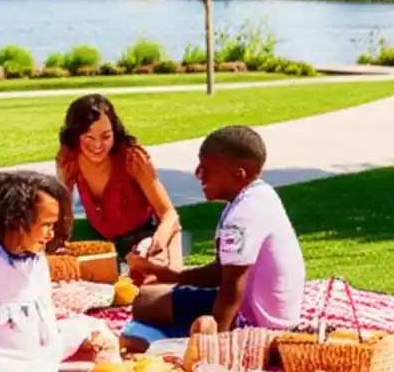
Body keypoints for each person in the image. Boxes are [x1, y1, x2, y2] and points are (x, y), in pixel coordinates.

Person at [123, 126, 305, 347]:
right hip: (269, 311)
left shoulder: (243, 216)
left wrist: (217, 345)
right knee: (146, 298)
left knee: (143, 310)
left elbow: (231, 286)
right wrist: (166, 273)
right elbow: (221, 271)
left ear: (238, 175)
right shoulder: (258, 195)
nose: (198, 174)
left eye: (206, 168)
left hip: (257, 322)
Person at [0, 171, 119, 372]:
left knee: (98, 332)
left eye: (53, 225)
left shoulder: (35, 256)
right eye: (46, 225)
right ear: (16, 221)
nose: (51, 234)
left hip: (42, 355)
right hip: (0, 366)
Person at [56, 95, 182, 267]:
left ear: (115, 132)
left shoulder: (132, 158)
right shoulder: (70, 159)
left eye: (106, 136)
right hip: (106, 244)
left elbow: (169, 214)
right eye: (89, 137)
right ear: (75, 135)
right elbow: (62, 213)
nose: (98, 145)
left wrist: (157, 243)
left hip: (144, 237)